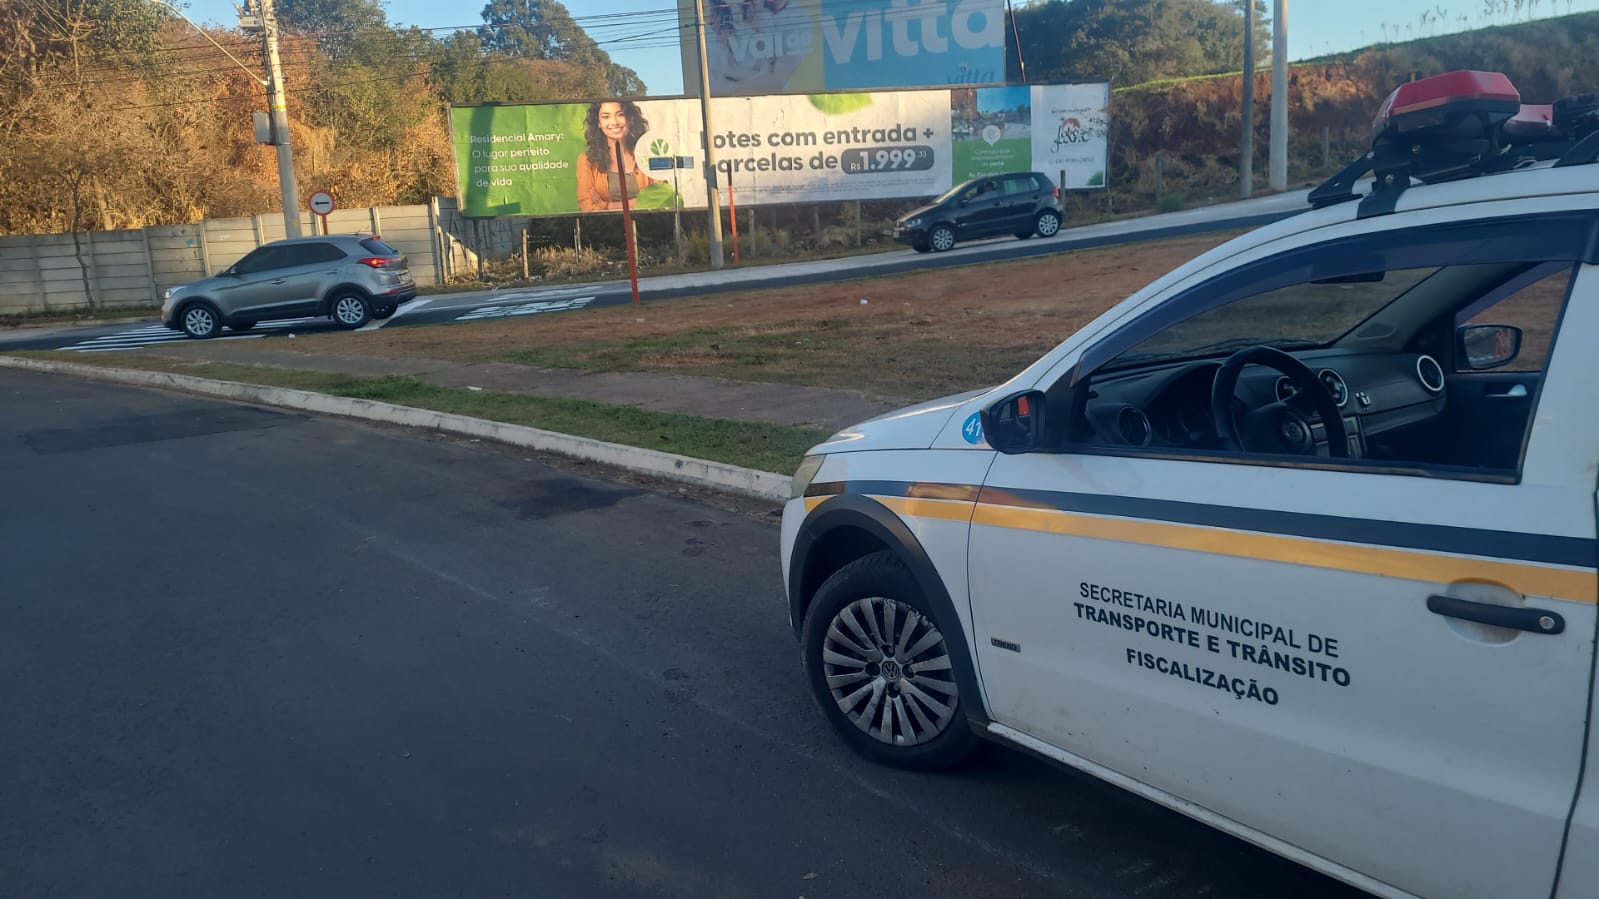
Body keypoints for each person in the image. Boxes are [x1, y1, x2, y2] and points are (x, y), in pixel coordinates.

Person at [575, 100, 660, 212]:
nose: (614, 122)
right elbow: (587, 207)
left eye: (620, 115)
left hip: (647, 221)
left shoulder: (649, 155)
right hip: (606, 223)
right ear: (598, 123)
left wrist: (607, 206)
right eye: (606, 117)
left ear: (630, 119)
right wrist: (639, 202)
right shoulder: (586, 160)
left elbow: (659, 199)